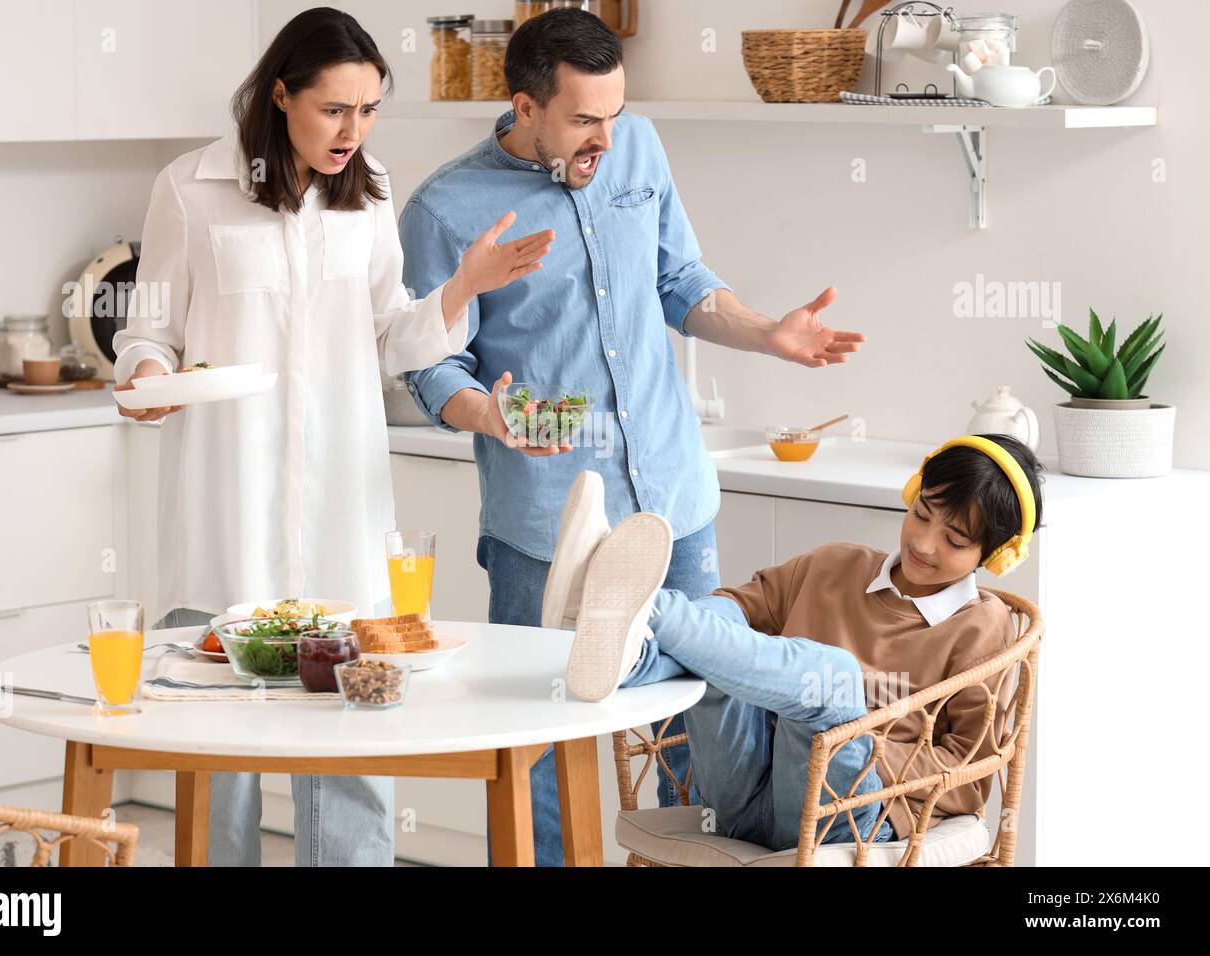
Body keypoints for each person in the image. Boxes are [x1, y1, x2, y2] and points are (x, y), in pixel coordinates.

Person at [399, 7, 866, 865]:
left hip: (673, 502)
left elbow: (678, 278)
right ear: (524, 106)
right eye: (582, 119)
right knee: (540, 727)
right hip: (549, 520)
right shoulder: (445, 208)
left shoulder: (639, 147)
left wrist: (768, 332)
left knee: (703, 713)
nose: (605, 138)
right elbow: (432, 368)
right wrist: (486, 414)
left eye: (614, 114)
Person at [112, 7, 552, 866]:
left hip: (341, 520)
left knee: (353, 748)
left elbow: (393, 338)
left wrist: (460, 289)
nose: (353, 131)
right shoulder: (189, 189)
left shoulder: (372, 191)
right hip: (224, 515)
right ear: (280, 94)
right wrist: (145, 379)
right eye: (333, 110)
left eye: (369, 109)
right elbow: (148, 333)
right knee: (219, 758)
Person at [547, 434, 1044, 849]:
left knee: (832, 676)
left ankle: (640, 607)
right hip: (738, 799)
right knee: (720, 646)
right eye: (922, 512)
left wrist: (851, 738)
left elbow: (972, 773)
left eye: (955, 541)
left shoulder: (983, 625)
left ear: (995, 555)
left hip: (848, 819)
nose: (923, 542)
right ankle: (631, 655)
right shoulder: (836, 563)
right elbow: (734, 607)